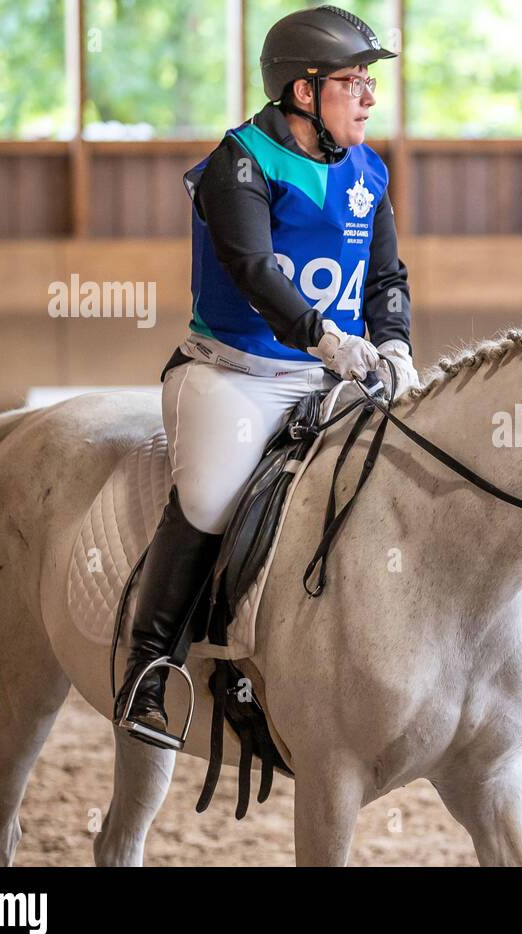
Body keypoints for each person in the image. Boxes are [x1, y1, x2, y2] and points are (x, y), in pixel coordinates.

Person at [113, 5, 419, 748]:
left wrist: (397, 344)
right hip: (235, 374)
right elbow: (251, 269)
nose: (370, 97)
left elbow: (387, 277)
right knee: (213, 496)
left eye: (370, 82)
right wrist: (328, 341)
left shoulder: (368, 169)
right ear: (304, 92)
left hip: (335, 377)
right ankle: (148, 669)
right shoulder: (239, 162)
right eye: (354, 81)